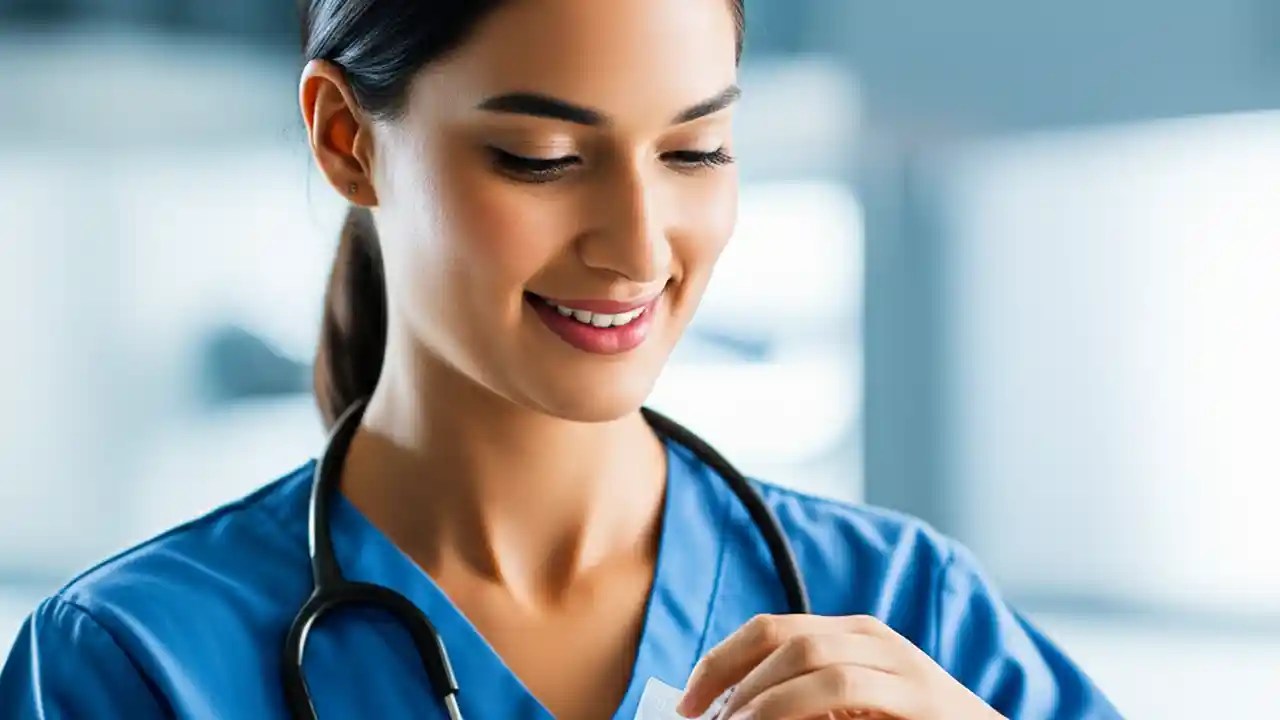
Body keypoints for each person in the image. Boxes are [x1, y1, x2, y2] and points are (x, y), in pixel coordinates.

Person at [0, 1, 1122, 718]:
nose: (638, 246)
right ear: (347, 138)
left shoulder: (908, 610)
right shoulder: (134, 662)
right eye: (539, 158)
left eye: (696, 150)